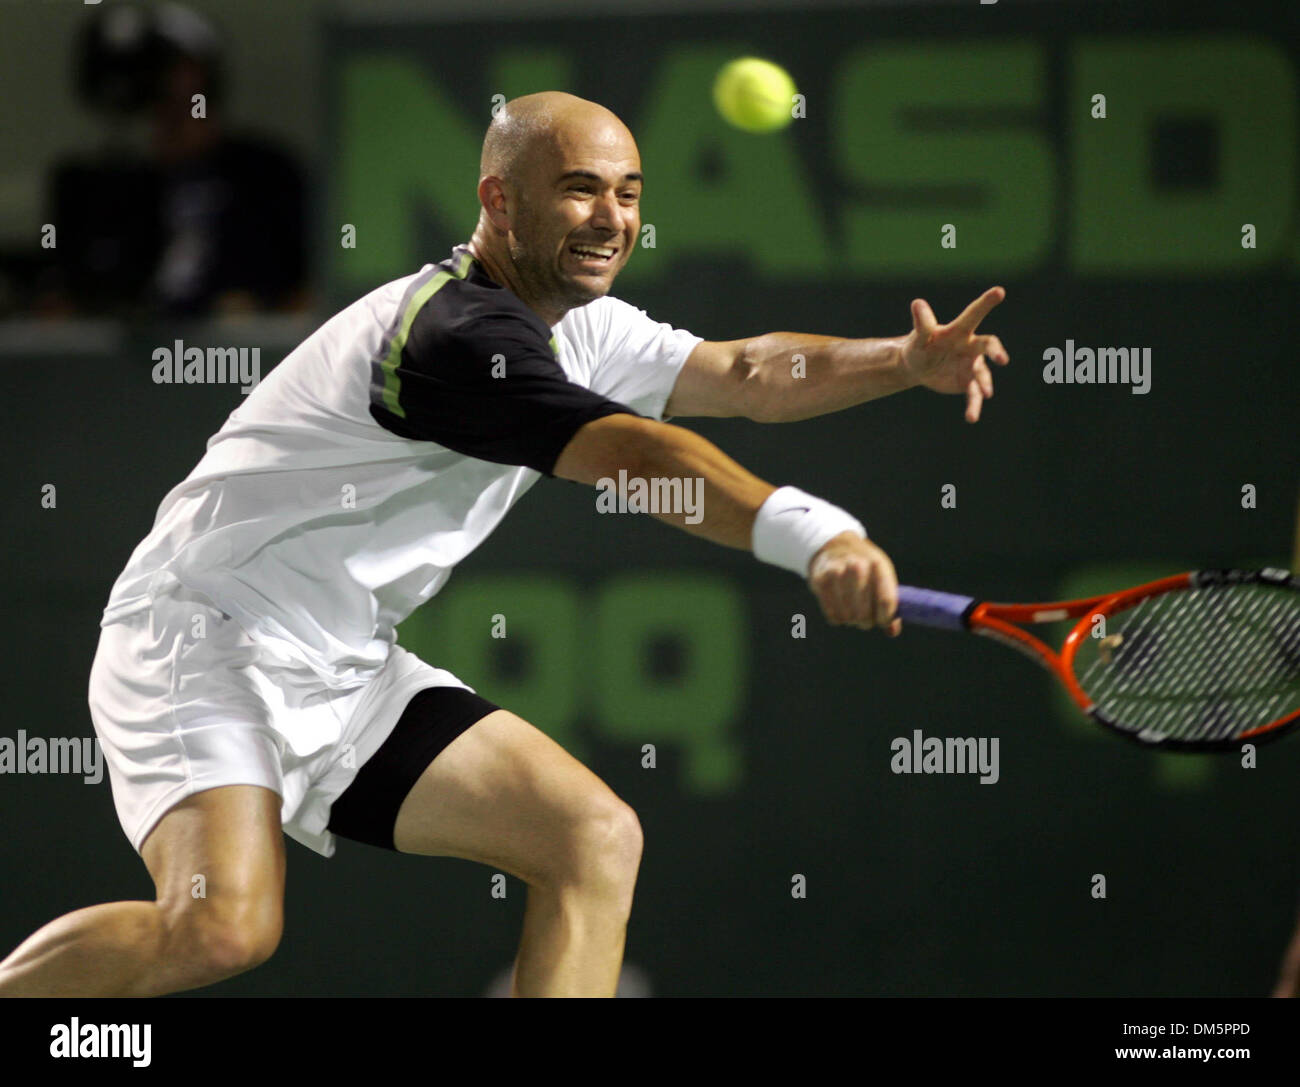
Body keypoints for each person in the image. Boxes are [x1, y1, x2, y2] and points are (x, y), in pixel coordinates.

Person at [0, 92, 1008, 998]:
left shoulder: (584, 326)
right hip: (202, 638)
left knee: (590, 836)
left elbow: (745, 372)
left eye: (626, 191)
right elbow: (629, 454)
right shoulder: (449, 338)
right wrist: (815, 535)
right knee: (220, 929)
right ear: (497, 198)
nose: (609, 217)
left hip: (342, 660)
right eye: (577, 191)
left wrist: (900, 359)